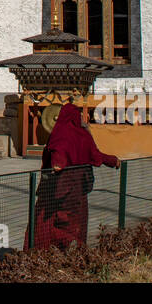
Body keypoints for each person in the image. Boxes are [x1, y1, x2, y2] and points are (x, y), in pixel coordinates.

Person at [26, 104, 118, 250]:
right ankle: (76, 247)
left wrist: (58, 164)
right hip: (79, 188)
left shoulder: (61, 132)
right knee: (75, 221)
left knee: (45, 222)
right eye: (80, 115)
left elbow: (60, 149)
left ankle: (64, 243)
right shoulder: (84, 134)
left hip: (58, 186)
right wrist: (113, 161)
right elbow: (96, 155)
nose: (82, 118)